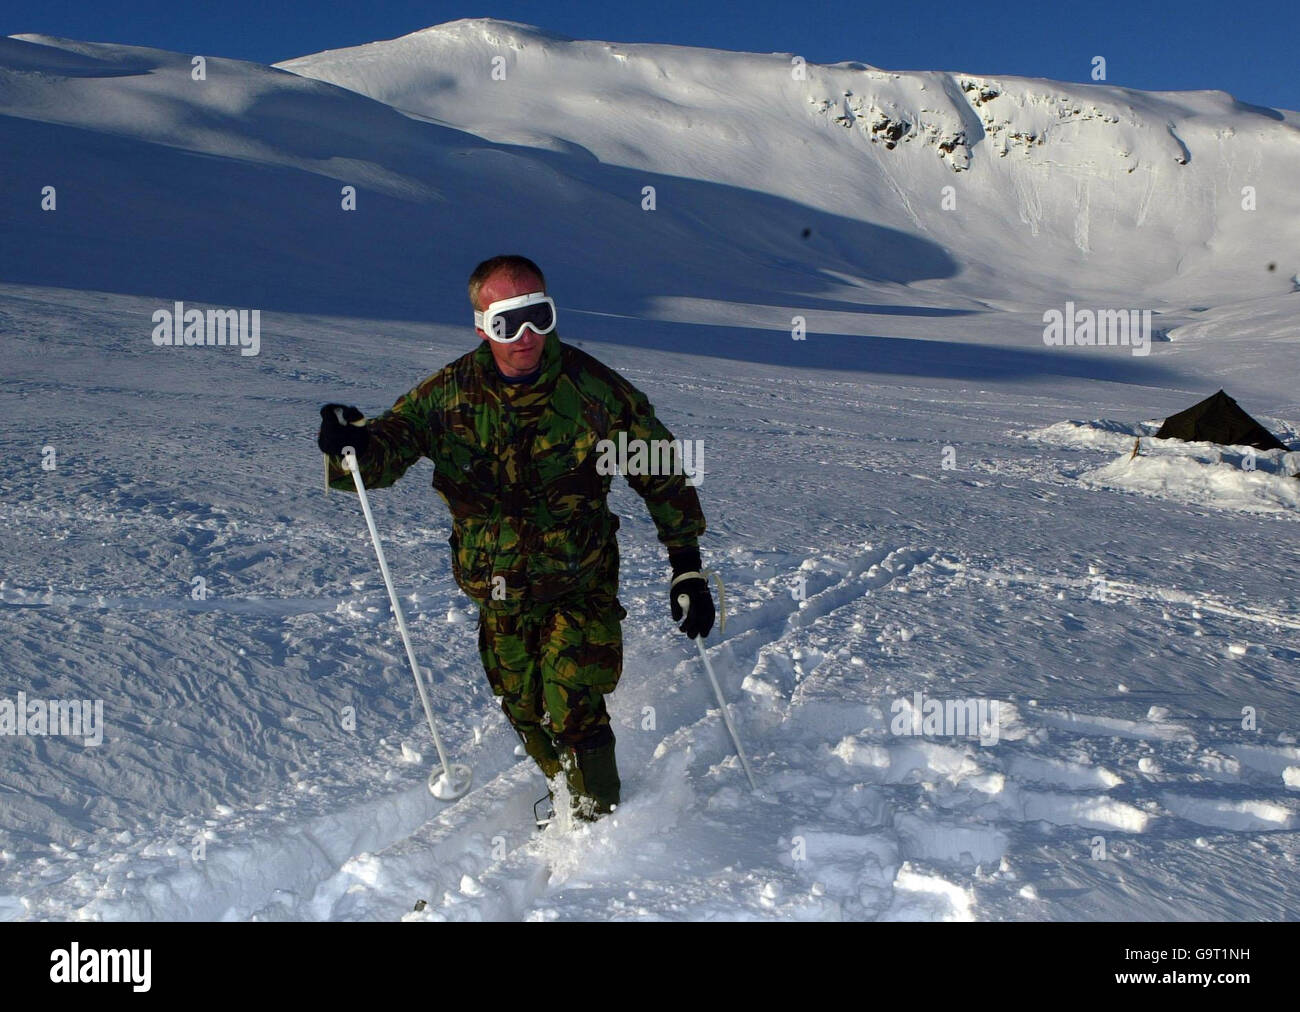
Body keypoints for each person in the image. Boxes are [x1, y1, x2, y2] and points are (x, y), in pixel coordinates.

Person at [317, 255, 714, 821]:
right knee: (523, 705)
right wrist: (352, 446)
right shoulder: (448, 395)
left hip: (580, 579)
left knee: (573, 700)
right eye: (508, 322)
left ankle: (598, 825)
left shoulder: (594, 391)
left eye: (538, 315)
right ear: (483, 327)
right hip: (497, 587)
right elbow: (385, 451)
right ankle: (566, 791)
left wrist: (686, 566)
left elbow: (660, 470)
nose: (526, 335)